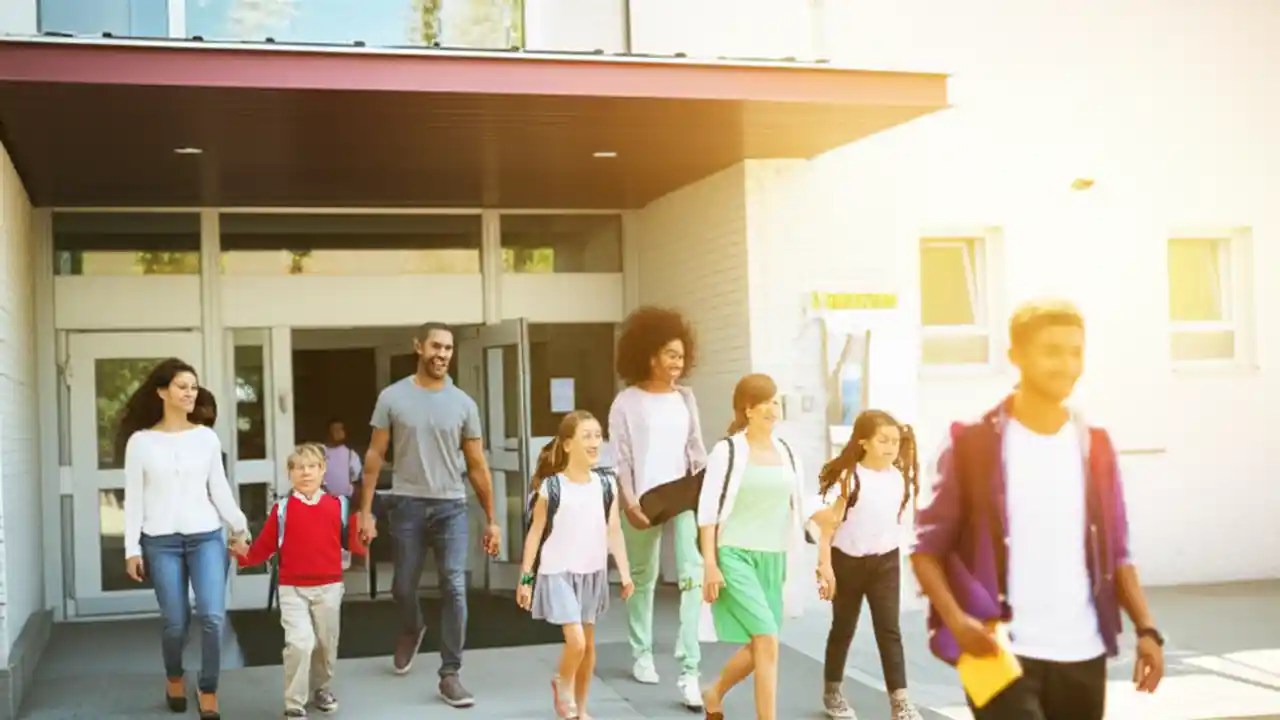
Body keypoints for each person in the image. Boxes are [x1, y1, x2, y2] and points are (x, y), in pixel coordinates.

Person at [910, 300, 1165, 719]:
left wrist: (1147, 629)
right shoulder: (973, 442)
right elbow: (926, 549)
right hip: (999, 652)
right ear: (1016, 356)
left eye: (1075, 351)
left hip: (1084, 653)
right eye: (1052, 351)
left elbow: (1117, 553)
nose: (1067, 364)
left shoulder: (1095, 445)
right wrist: (957, 621)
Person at [356, 321, 500, 709]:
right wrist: (365, 511)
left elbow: (477, 465)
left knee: (454, 585)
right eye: (436, 346)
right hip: (406, 503)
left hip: (452, 505)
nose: (442, 354)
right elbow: (374, 456)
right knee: (402, 586)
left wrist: (492, 518)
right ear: (418, 347)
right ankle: (412, 626)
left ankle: (450, 673)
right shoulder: (392, 397)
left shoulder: (464, 404)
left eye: (449, 348)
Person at [118, 358, 249, 720]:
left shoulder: (206, 437)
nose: (190, 393)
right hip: (160, 542)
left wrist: (239, 526)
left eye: (193, 386)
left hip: (206, 537)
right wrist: (131, 549)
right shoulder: (140, 442)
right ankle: (174, 675)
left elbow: (219, 489)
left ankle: (208, 688)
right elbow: (134, 499)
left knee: (212, 616)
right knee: (175, 622)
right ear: (163, 392)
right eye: (182, 386)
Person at [698, 373, 823, 720]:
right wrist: (711, 563)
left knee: (761, 643)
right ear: (747, 409)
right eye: (764, 402)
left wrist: (825, 544)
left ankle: (715, 692)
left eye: (776, 401)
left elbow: (800, 505)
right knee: (767, 638)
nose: (772, 408)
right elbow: (708, 512)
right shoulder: (728, 451)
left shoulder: (787, 453)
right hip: (734, 554)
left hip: (774, 558)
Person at [608, 306, 708, 709]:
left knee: (691, 574)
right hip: (643, 498)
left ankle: (689, 664)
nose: (677, 363)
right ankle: (641, 653)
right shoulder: (626, 402)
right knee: (642, 577)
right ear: (650, 355)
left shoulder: (686, 398)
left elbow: (695, 449)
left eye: (682, 356)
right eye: (670, 354)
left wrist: (708, 490)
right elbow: (620, 458)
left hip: (682, 495)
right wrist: (629, 501)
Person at [517, 411, 635, 719]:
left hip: (591, 573)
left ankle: (580, 711)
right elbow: (535, 534)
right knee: (577, 642)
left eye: (598, 435)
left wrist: (624, 572)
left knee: (589, 648)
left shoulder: (606, 484)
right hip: (557, 573)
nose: (595, 442)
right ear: (568, 444)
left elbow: (614, 531)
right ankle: (562, 681)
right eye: (587, 436)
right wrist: (526, 580)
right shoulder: (552, 487)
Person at [814, 410, 924, 720]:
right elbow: (827, 527)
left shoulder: (900, 479)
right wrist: (825, 566)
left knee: (889, 630)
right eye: (883, 440)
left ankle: (900, 701)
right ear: (864, 442)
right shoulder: (850, 477)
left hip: (886, 563)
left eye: (895, 441)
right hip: (847, 562)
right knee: (843, 628)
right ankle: (832, 692)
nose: (891, 447)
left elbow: (900, 524)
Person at [235, 443, 348, 719]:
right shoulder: (283, 509)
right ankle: (294, 702)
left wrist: (364, 539)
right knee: (299, 642)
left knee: (325, 642)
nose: (306, 473)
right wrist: (244, 556)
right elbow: (265, 546)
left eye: (312, 467)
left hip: (329, 586)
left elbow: (349, 541)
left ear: (322, 471)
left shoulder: (337, 505)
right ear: (290, 474)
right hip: (292, 588)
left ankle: (321, 687)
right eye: (299, 468)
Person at [322, 418, 362, 499]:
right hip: (323, 500)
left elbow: (357, 479)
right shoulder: (319, 452)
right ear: (328, 432)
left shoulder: (350, 454)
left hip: (345, 500)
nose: (339, 432)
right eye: (335, 429)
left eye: (341, 429)